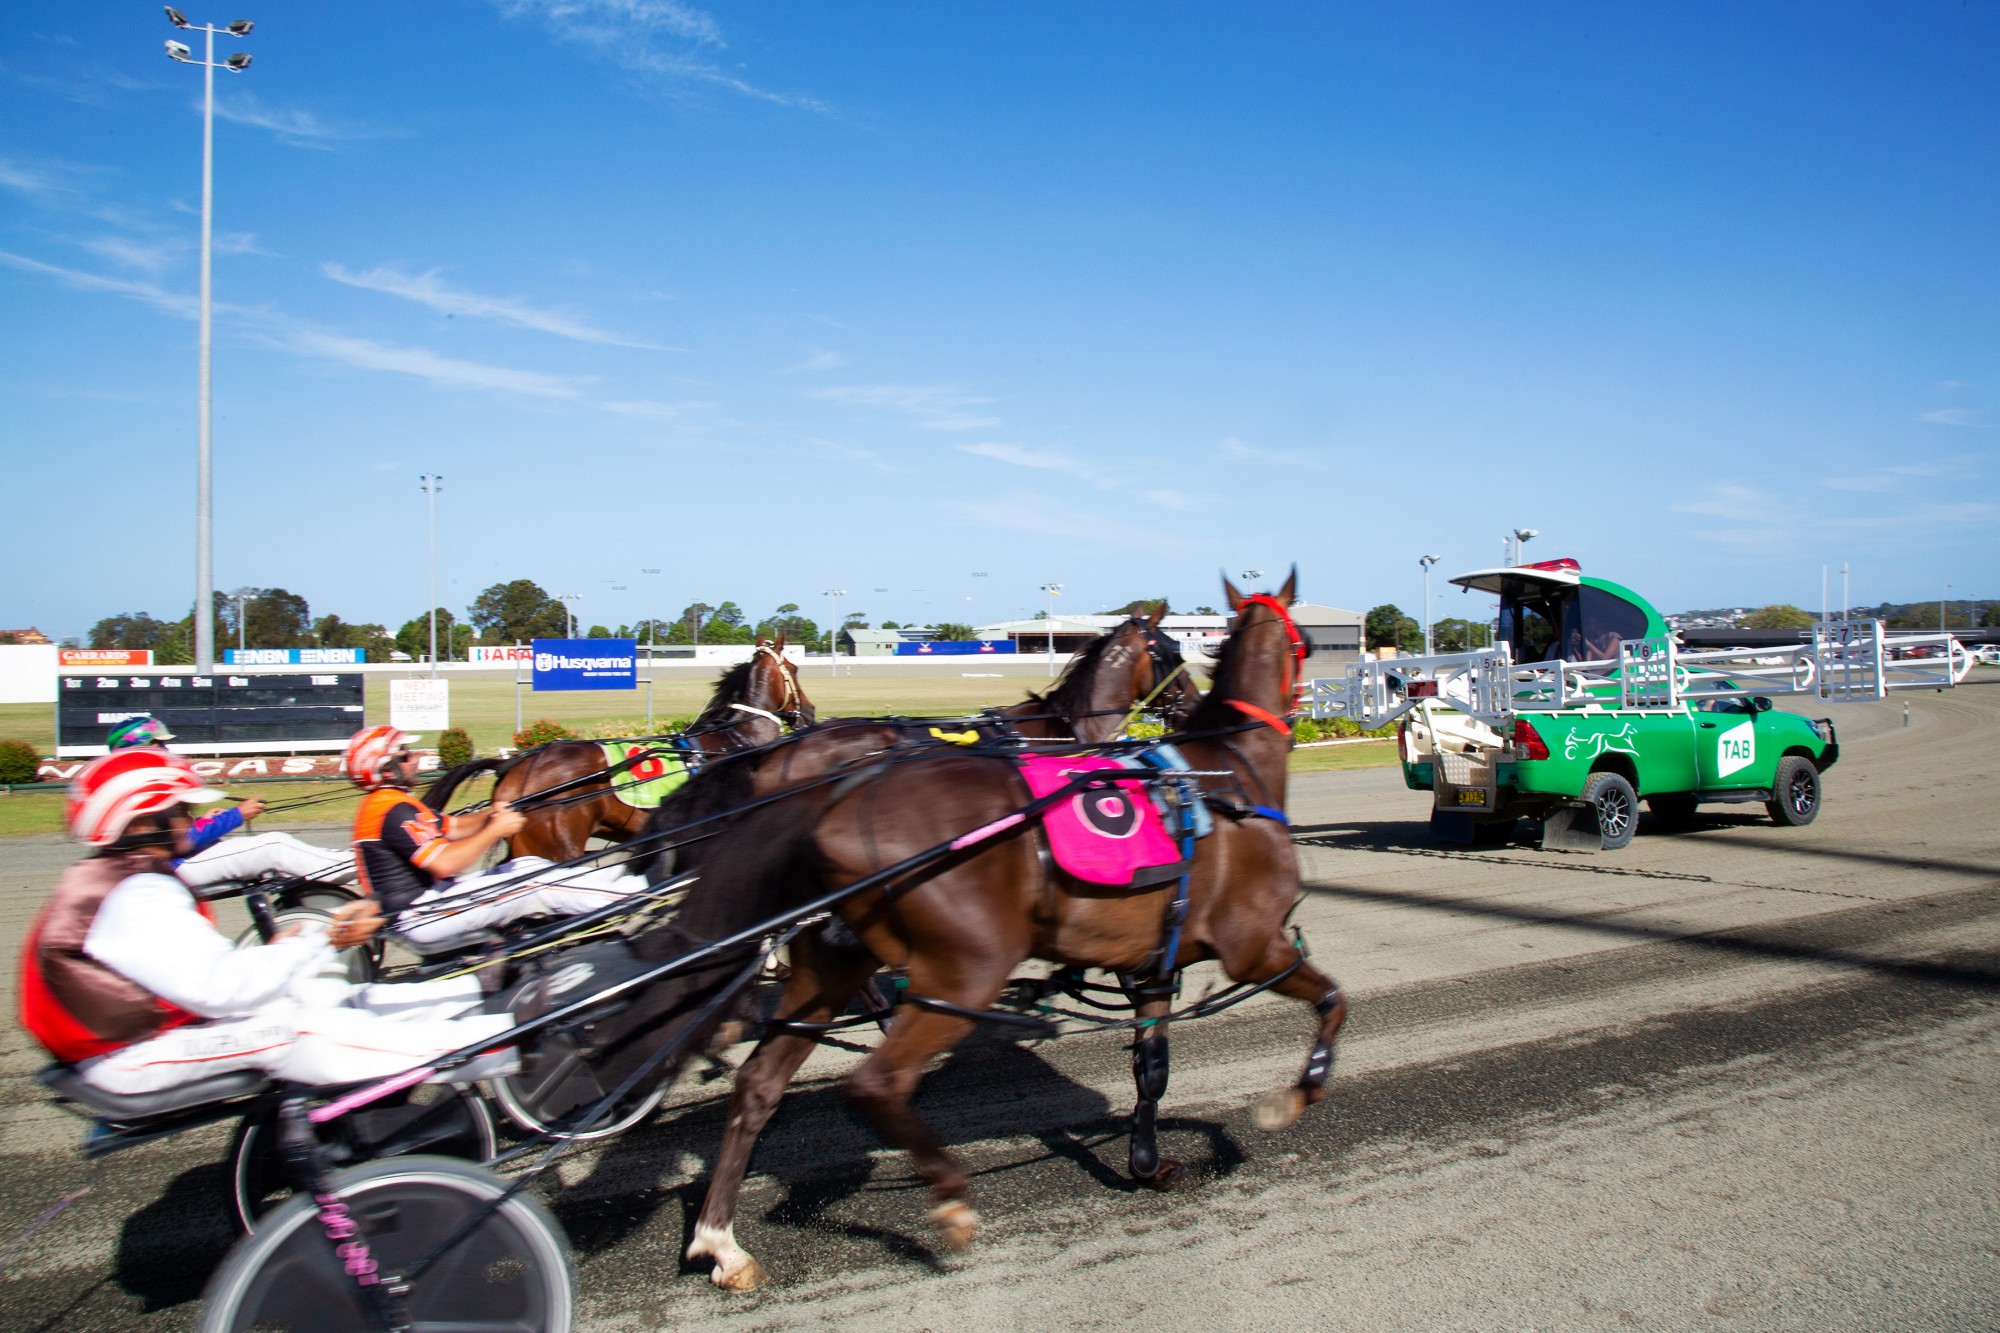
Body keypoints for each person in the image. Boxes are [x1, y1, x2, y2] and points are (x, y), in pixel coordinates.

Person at [19, 748, 517, 1096]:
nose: (189, 823)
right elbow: (224, 990)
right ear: (144, 821)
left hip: (139, 1035)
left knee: (326, 995)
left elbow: (198, 973)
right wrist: (327, 935)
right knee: (295, 1029)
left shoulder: (115, 878)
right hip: (124, 1059)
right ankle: (504, 1046)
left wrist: (289, 949)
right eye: (181, 812)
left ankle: (474, 997)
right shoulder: (135, 890)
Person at [343, 725, 650, 949]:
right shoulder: (392, 809)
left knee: (529, 864)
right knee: (534, 884)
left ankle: (627, 887)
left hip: (430, 905)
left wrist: (496, 812)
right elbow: (445, 864)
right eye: (405, 755)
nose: (414, 758)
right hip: (422, 915)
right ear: (386, 771)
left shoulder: (388, 804)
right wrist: (495, 830)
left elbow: (453, 828)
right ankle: (642, 895)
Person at [105, 715, 355, 888]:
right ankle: (352, 867)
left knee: (264, 848)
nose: (168, 750)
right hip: (170, 869)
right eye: (160, 744)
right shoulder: (142, 791)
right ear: (140, 747)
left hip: (167, 867)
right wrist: (236, 815)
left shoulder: (129, 787)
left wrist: (206, 820)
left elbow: (177, 834)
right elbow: (181, 840)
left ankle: (336, 865)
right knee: (273, 846)